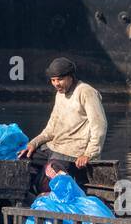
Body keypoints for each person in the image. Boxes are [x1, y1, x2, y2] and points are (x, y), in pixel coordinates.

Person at [18, 57, 107, 193]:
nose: (56, 84)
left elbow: (99, 126)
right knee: (22, 160)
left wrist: (88, 154)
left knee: (50, 170)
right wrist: (33, 143)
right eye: (53, 80)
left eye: (59, 79)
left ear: (71, 77)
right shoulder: (59, 94)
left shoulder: (86, 92)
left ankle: (67, 200)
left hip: (73, 152)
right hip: (54, 147)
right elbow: (51, 129)